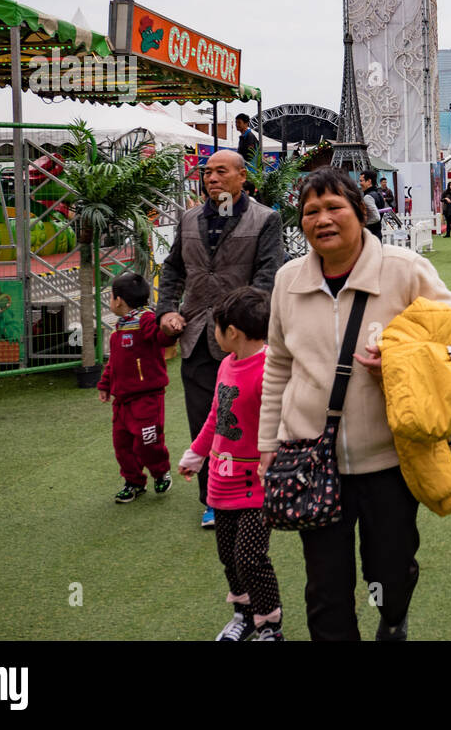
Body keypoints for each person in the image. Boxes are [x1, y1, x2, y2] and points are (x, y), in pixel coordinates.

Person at [258, 167, 451, 640]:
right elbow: (278, 366)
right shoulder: (289, 279)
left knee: (388, 572)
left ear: (360, 211)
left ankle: (393, 616)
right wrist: (267, 440)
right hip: (310, 458)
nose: (322, 219)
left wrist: (399, 358)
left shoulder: (403, 269)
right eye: (311, 211)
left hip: (389, 458)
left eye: (335, 207)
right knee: (325, 588)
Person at [158, 149, 285, 529]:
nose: (212, 178)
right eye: (207, 172)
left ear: (242, 177)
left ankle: (259, 487)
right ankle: (212, 498)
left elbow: (268, 276)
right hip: (197, 335)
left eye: (221, 171)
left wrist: (247, 321)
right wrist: (166, 309)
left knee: (247, 418)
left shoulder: (266, 219)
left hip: (245, 339)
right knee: (203, 420)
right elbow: (173, 267)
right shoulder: (189, 218)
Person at [179, 286, 283, 641]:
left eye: (216, 328)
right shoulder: (226, 364)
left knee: (250, 556)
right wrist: (196, 454)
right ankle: (244, 615)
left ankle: (269, 624)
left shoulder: (270, 368)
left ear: (232, 332)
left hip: (257, 485)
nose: (214, 334)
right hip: (220, 485)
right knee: (229, 556)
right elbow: (216, 417)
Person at [98, 272, 179, 503]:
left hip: (147, 398)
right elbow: (113, 362)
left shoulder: (145, 319)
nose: (110, 301)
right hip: (122, 401)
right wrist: (105, 384)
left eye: (111, 297)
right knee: (122, 445)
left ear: (119, 300)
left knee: (148, 441)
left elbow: (160, 338)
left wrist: (170, 332)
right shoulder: (119, 327)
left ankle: (160, 471)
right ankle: (133, 481)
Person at [360, 169, 384, 240]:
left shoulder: (368, 197)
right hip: (378, 233)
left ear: (369, 181)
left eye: (361, 181)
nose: (360, 183)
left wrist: (361, 224)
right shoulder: (379, 194)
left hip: (370, 234)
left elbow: (376, 217)